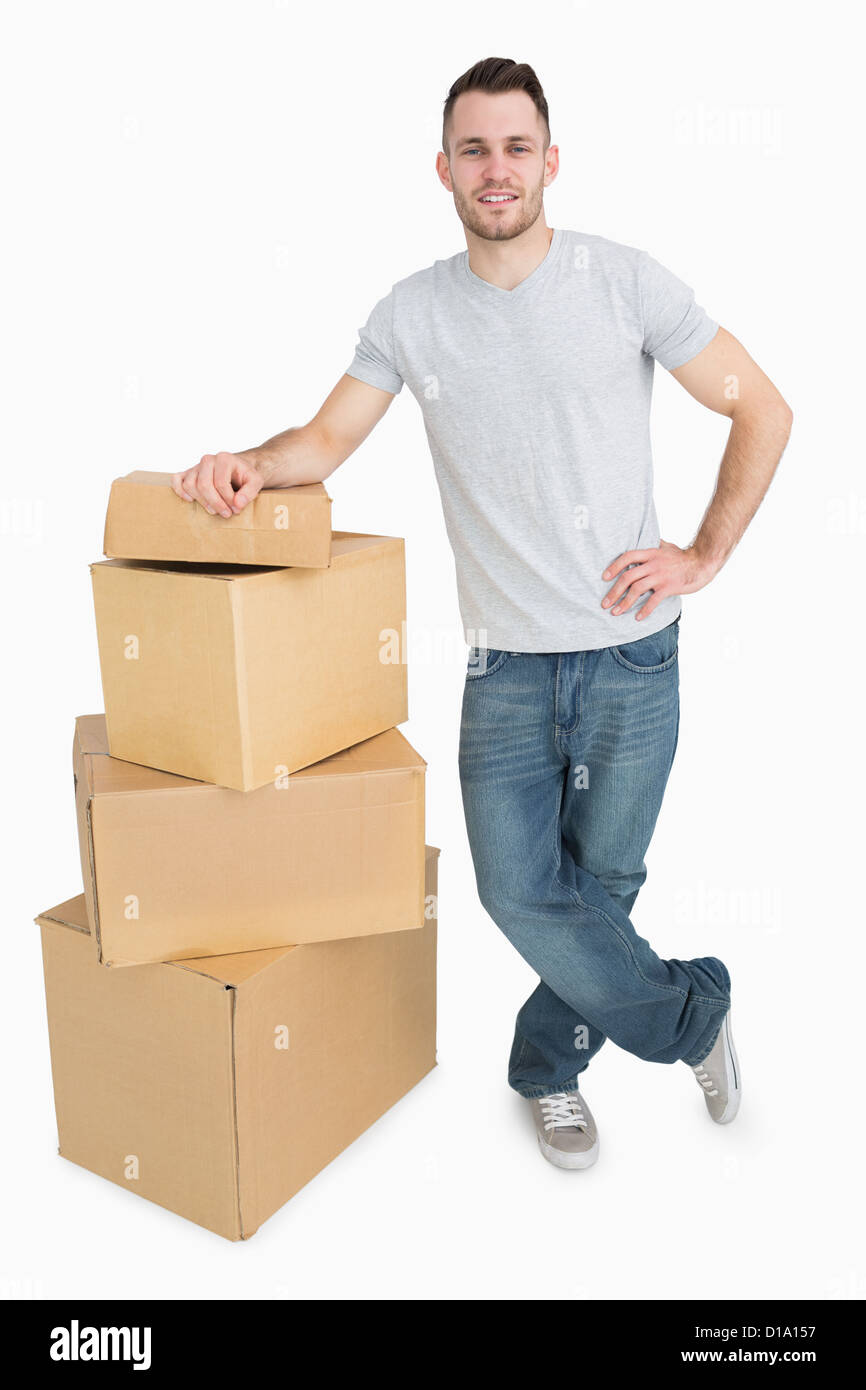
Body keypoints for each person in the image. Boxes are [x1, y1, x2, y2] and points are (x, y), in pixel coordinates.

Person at [173, 57, 792, 1170]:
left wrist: (701, 554)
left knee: (600, 889)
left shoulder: (624, 282)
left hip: (628, 656)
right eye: (473, 148)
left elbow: (761, 407)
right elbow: (320, 445)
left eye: (514, 146)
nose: (494, 168)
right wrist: (246, 464)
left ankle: (545, 1070)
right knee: (519, 888)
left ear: (549, 162)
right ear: (443, 169)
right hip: (502, 666)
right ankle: (692, 1011)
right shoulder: (409, 313)